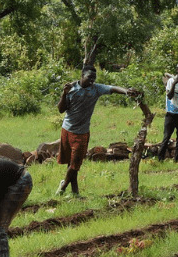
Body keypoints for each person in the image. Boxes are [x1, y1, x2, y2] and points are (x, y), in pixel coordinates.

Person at [56, 66, 140, 196]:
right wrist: (64, 94)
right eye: (89, 77)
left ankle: (62, 188)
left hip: (82, 133)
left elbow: (112, 88)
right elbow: (61, 109)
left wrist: (126, 91)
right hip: (66, 130)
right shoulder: (71, 88)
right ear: (82, 75)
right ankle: (75, 192)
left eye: (94, 78)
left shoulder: (96, 89)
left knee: (75, 164)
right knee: (71, 163)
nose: (92, 80)